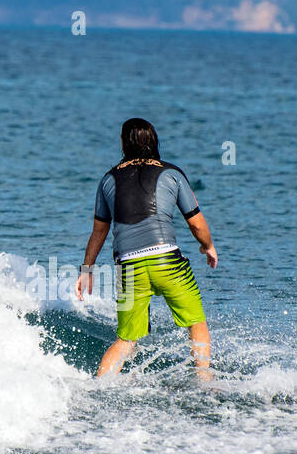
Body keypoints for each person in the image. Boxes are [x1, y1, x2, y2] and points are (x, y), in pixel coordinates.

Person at [75, 118, 218, 380]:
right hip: (168, 263)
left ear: (123, 143)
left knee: (126, 340)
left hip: (129, 268)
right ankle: (205, 381)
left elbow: (99, 231)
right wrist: (207, 246)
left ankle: (99, 387)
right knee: (196, 322)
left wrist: (86, 269)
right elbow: (196, 223)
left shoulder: (108, 179)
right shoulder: (172, 173)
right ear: (154, 141)